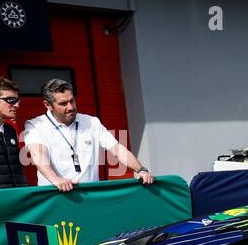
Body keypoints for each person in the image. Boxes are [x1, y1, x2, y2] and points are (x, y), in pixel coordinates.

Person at [23, 78, 153, 191]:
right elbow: (38, 155)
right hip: (55, 195)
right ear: (47, 105)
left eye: (72, 100)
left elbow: (117, 149)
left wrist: (140, 170)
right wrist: (56, 180)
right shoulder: (36, 125)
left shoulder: (91, 122)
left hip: (90, 195)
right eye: (63, 103)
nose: (70, 107)